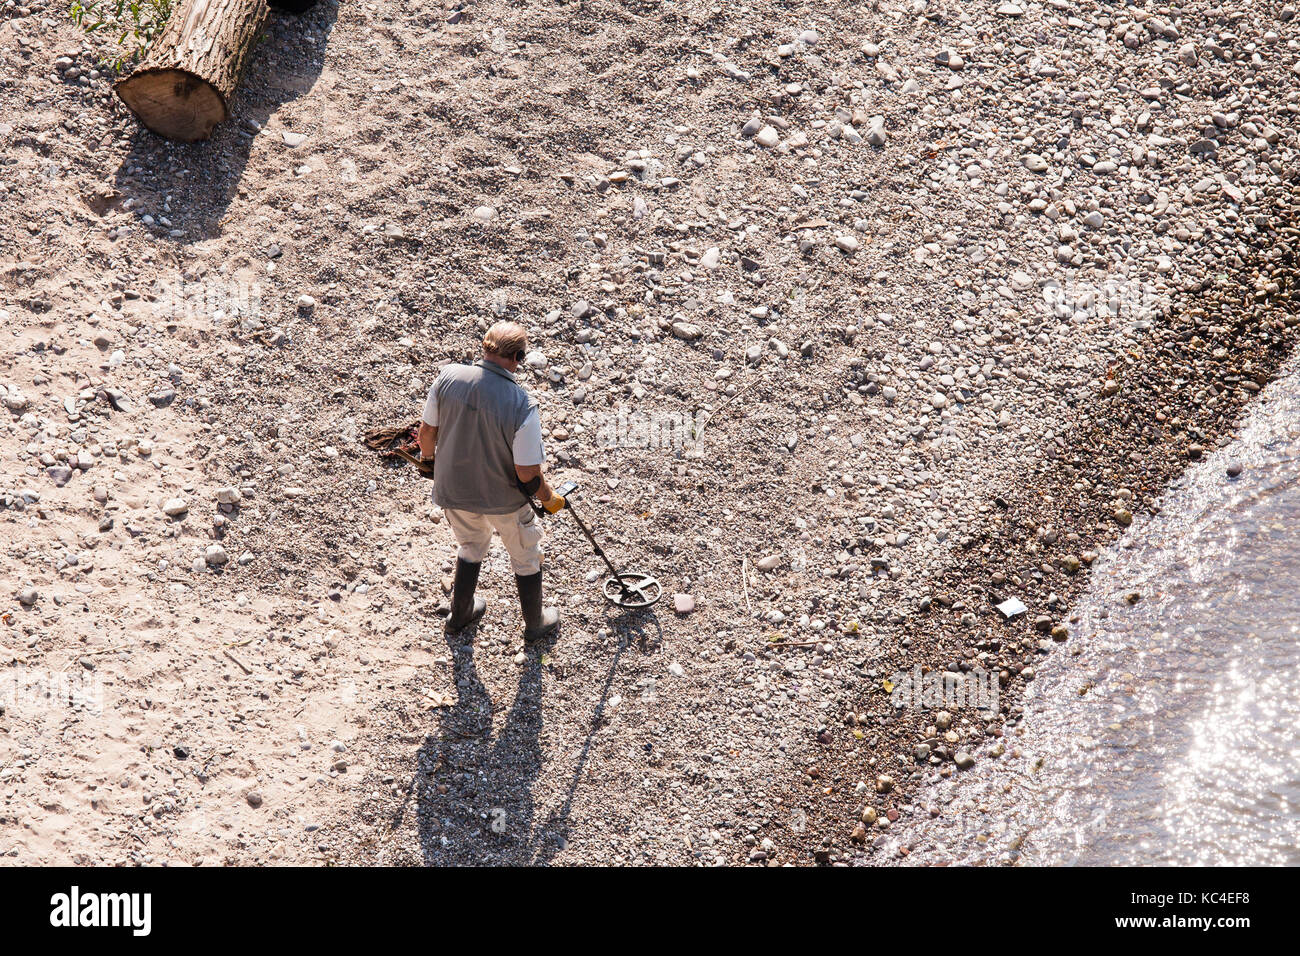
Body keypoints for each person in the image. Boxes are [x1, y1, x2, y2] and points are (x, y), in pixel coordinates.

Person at [418, 321, 566, 642]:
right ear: (516, 359)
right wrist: (549, 496)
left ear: (484, 348)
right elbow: (527, 472)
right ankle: (535, 623)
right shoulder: (522, 404)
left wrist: (429, 463)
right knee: (525, 554)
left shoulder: (447, 378)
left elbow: (426, 435)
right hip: (504, 500)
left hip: (454, 491)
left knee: (471, 545)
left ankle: (461, 614)